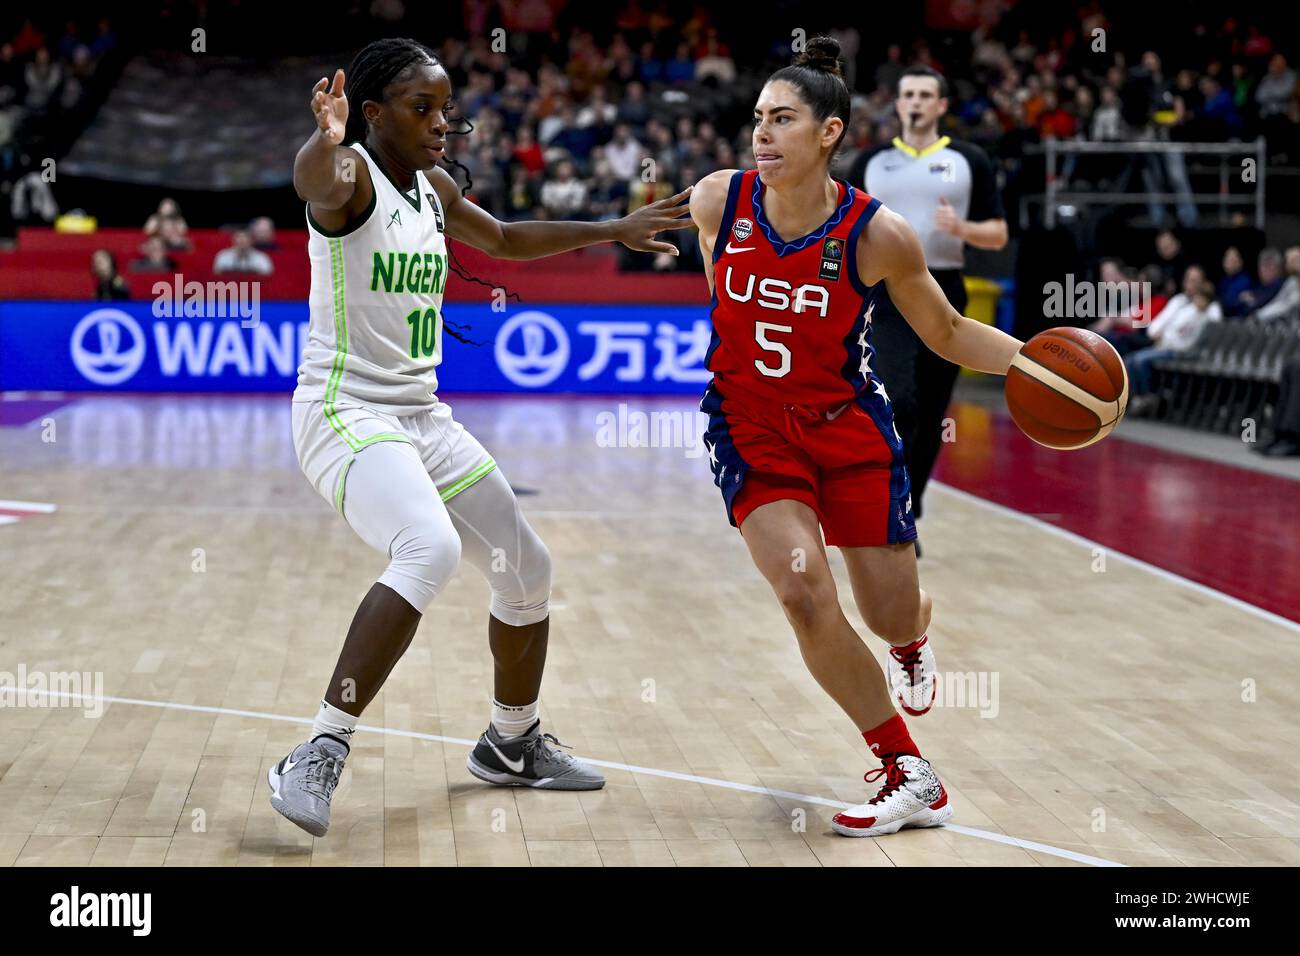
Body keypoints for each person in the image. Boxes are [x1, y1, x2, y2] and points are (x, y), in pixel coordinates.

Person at [271, 39, 692, 838]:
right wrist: (321, 144)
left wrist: (614, 227)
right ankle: (320, 746)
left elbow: (500, 240)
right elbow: (315, 182)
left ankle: (511, 740)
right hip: (345, 410)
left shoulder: (430, 187)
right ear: (369, 115)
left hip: (422, 415)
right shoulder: (352, 177)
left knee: (526, 566)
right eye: (421, 108)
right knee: (425, 549)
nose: (441, 123)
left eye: (443, 106)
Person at [689, 37, 1024, 837]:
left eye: (784, 120)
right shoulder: (716, 201)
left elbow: (945, 330)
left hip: (848, 430)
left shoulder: (878, 234)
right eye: (758, 119)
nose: (762, 135)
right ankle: (909, 770)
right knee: (803, 591)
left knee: (889, 613)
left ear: (830, 131)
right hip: (751, 426)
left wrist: (1035, 365)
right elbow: (721, 299)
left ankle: (911, 641)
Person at [846, 64, 1008, 546]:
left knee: (935, 410)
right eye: (908, 94)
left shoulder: (969, 159)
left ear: (941, 105)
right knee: (898, 398)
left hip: (947, 288)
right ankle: (884, 502)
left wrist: (961, 228)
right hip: (885, 295)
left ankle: (906, 512)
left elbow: (997, 234)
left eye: (925, 95)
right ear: (898, 104)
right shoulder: (870, 163)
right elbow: (845, 229)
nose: (915, 102)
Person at [1125, 266, 1222, 413]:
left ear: (1203, 282)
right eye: (1188, 279)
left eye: (1195, 280)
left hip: (1184, 351)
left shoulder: (1210, 307)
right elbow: (1157, 325)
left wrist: (1201, 310)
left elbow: (1208, 330)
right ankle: (1139, 397)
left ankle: (1148, 398)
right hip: (1165, 345)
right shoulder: (1179, 300)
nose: (1191, 283)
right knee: (1130, 360)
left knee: (1140, 360)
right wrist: (1159, 335)